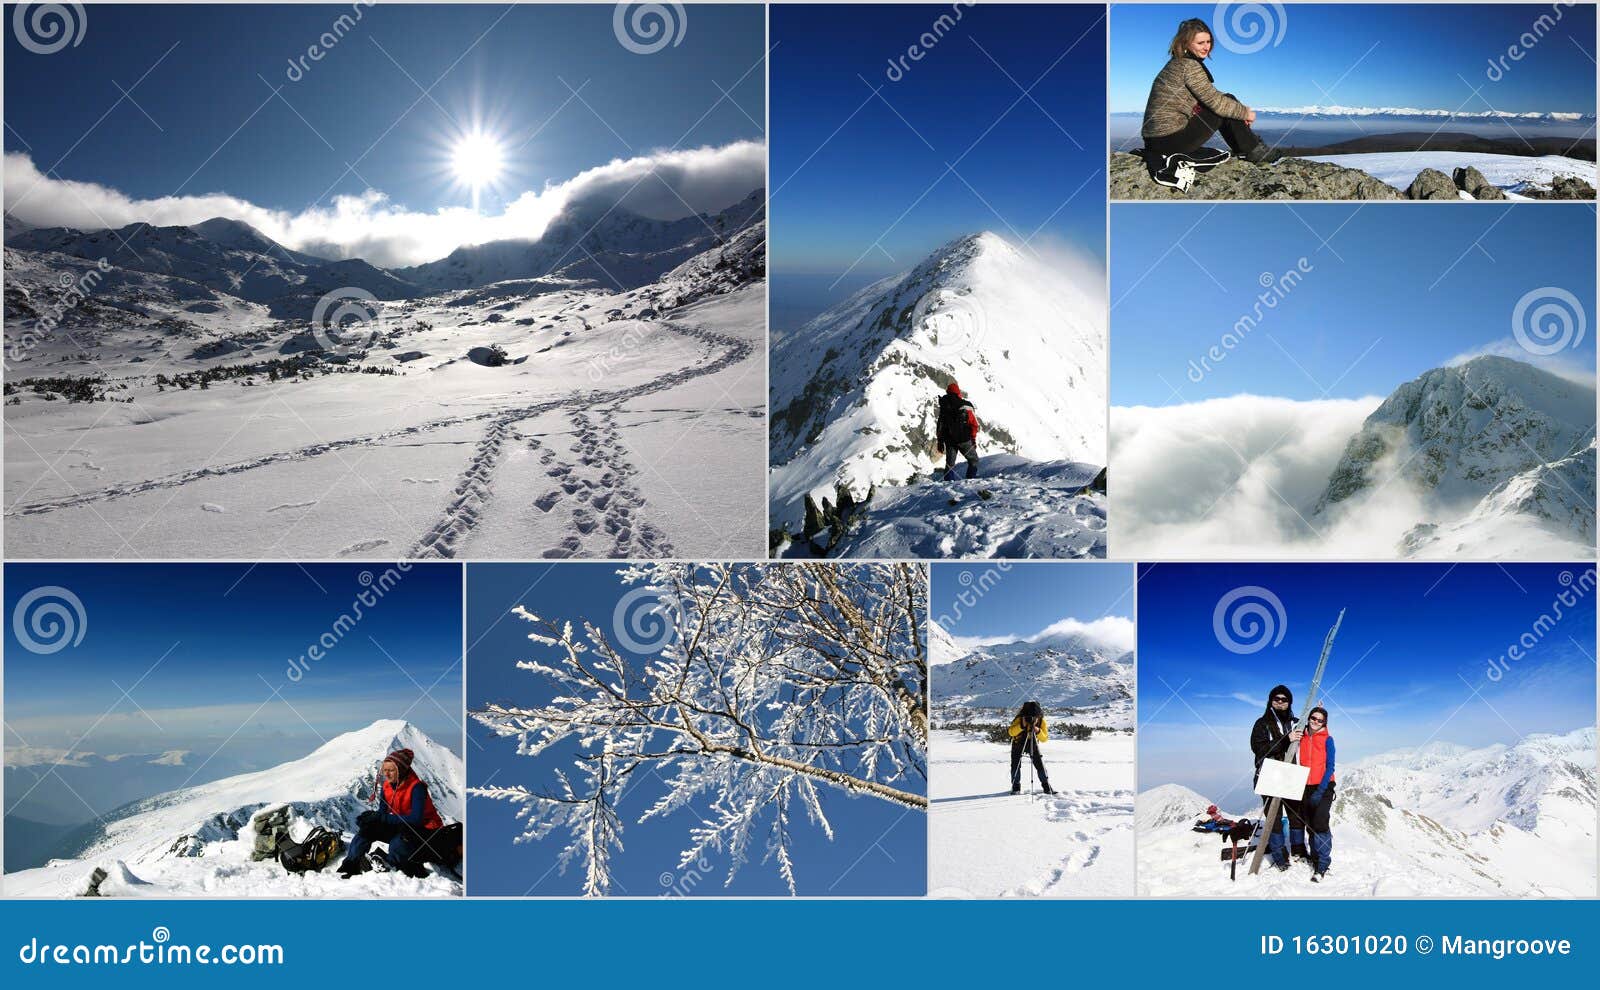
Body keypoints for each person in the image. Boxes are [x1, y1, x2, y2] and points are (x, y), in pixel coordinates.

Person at [1140, 18, 1273, 167]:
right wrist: (1245, 113)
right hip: (1169, 142)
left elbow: (1210, 94)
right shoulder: (1188, 66)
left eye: (1208, 42)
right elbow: (1215, 102)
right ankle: (1255, 152)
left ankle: (1249, 149)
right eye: (1200, 43)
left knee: (1228, 101)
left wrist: (1239, 110)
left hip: (1155, 142)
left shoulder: (1177, 63)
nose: (1206, 47)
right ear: (1186, 43)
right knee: (1225, 103)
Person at [338, 747, 444, 878]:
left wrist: (382, 818)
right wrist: (371, 819)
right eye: (384, 770)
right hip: (405, 826)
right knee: (367, 829)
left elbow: (416, 819)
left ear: (401, 770)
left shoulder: (417, 787)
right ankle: (351, 864)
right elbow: (382, 813)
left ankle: (389, 866)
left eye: (391, 770)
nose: (386, 774)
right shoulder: (387, 786)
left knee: (398, 842)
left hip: (427, 830)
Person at [1249, 684, 1301, 871]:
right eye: (1276, 699)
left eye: (1284, 699)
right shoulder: (1262, 723)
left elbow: (1314, 727)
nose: (1280, 702)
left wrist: (1318, 711)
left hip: (1291, 774)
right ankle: (1280, 857)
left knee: (1296, 815)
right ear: (1271, 701)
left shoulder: (1296, 723)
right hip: (1269, 775)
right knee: (1274, 818)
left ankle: (1298, 850)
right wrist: (1285, 740)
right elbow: (1259, 749)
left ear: (1289, 703)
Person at [1293, 707, 1336, 882]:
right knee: (1310, 824)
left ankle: (1323, 864)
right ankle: (1315, 858)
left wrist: (1321, 790)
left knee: (1320, 823)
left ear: (1325, 723)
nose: (1316, 722)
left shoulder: (1328, 739)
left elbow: (1330, 767)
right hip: (1306, 786)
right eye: (1313, 718)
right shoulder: (1301, 736)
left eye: (1320, 720)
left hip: (1324, 786)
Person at [934, 381, 980, 481]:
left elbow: (940, 426)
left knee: (950, 464)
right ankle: (971, 479)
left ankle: (948, 484)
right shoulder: (966, 406)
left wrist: (940, 442)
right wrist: (973, 439)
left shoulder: (944, 406)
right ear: (958, 392)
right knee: (974, 460)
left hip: (949, 440)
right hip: (964, 440)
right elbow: (974, 425)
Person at [1008, 701, 1054, 795]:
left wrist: (1038, 730)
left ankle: (1046, 786)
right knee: (1015, 765)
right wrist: (1022, 725)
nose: (1032, 718)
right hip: (1018, 743)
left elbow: (1044, 738)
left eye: (1035, 716)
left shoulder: (1041, 721)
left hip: (1033, 743)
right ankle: (1016, 786)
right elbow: (1011, 732)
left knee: (1040, 765)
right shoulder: (1020, 719)